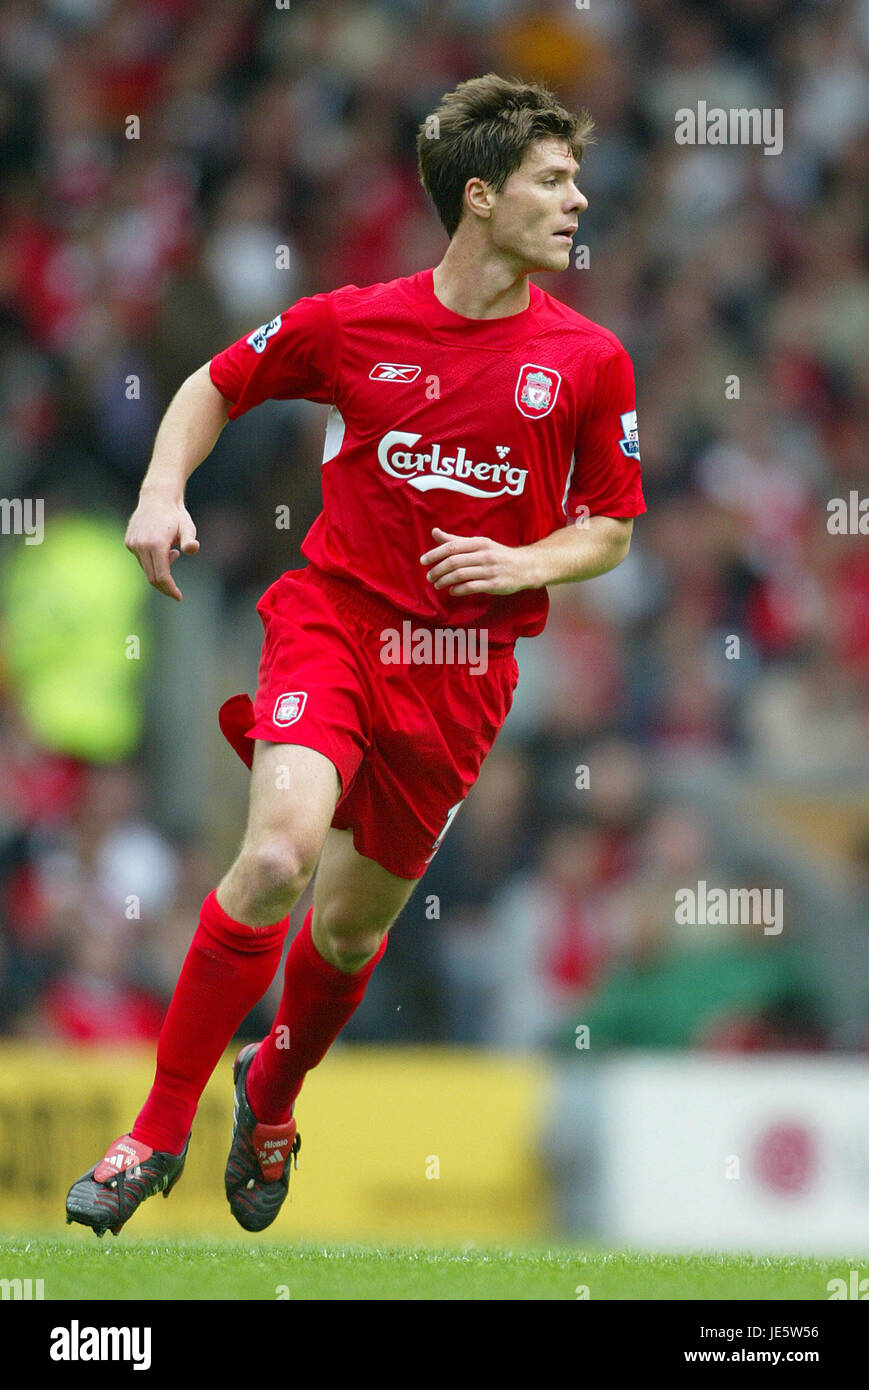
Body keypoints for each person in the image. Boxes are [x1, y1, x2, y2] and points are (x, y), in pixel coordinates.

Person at [65, 73, 645, 1237]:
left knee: (346, 932)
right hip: (333, 625)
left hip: (459, 678)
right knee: (276, 855)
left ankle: (271, 1092)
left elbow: (611, 527)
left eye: (574, 179)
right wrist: (161, 489)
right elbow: (213, 383)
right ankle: (154, 1133)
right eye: (550, 180)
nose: (576, 200)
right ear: (479, 196)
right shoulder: (350, 323)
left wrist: (521, 561)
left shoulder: (588, 361)